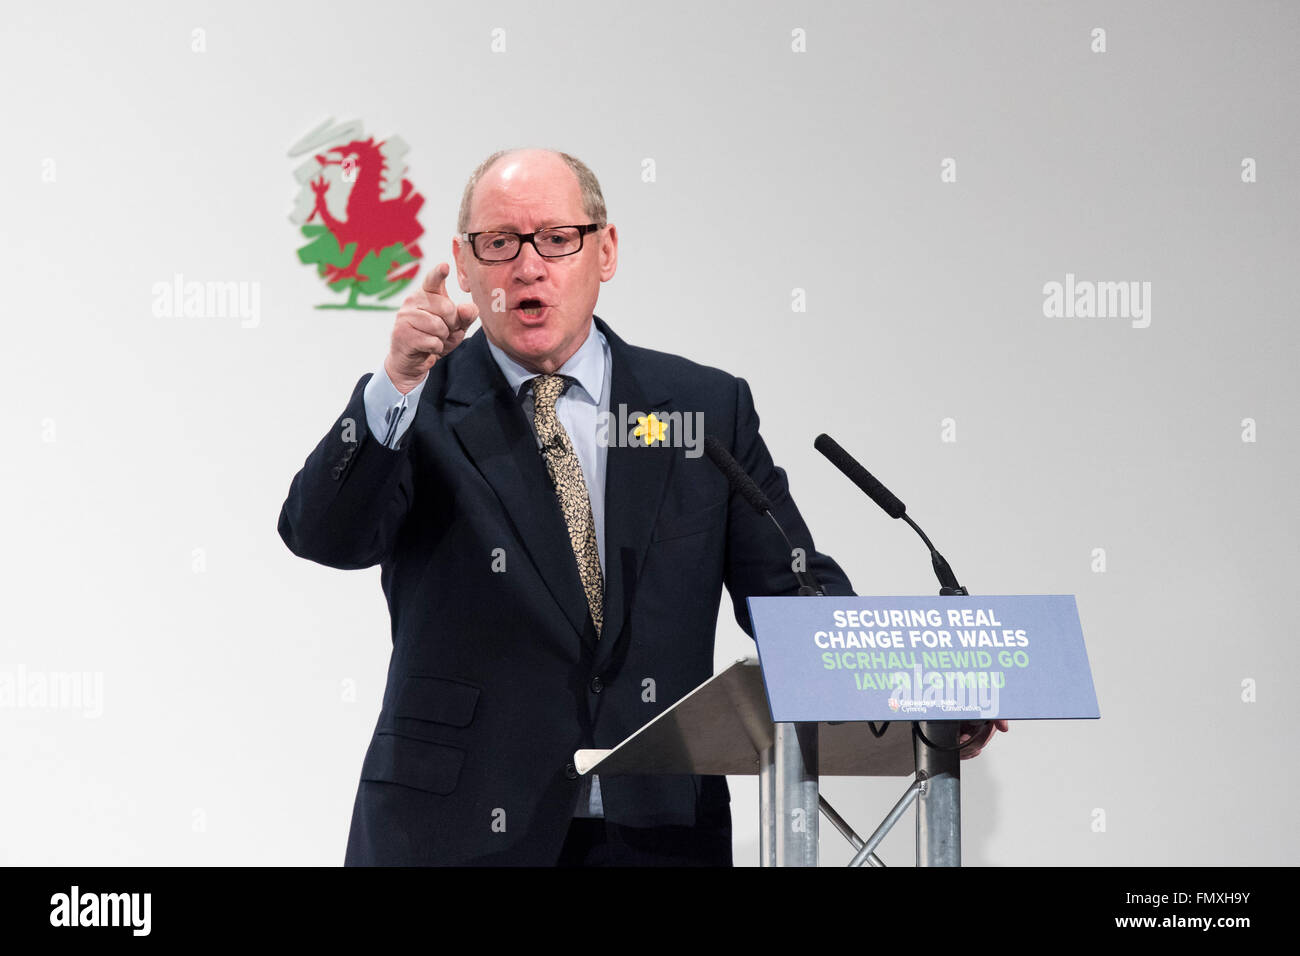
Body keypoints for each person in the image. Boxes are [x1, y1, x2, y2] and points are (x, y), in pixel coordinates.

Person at [277, 147, 1003, 866]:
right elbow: (323, 533)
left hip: (656, 835)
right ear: (464, 266)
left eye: (557, 240)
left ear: (605, 250)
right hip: (451, 832)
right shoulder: (416, 405)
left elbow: (793, 593)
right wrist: (394, 384)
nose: (528, 266)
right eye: (499, 244)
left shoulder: (701, 410)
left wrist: (919, 688)